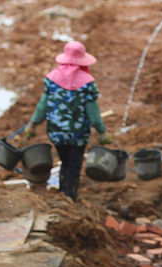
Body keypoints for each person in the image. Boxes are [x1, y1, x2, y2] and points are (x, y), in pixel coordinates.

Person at [26, 41, 111, 201]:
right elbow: (93, 113)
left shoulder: (52, 79)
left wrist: (33, 124)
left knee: (65, 161)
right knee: (73, 166)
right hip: (78, 134)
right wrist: (102, 132)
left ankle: (63, 194)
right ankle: (68, 197)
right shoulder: (87, 83)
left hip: (56, 132)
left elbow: (42, 105)